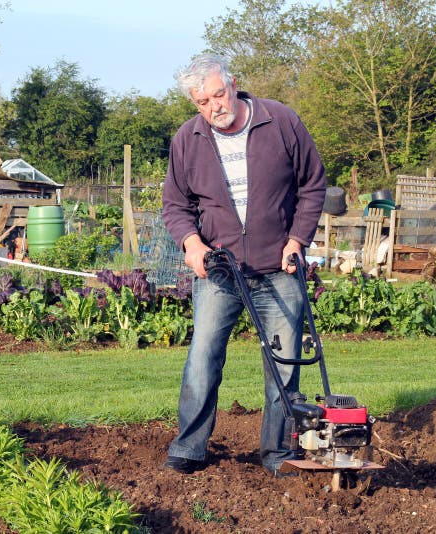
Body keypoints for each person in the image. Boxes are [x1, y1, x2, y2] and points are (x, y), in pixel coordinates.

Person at [161, 54, 326, 477]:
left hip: (279, 268)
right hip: (220, 270)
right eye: (202, 101)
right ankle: (189, 447)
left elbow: (312, 185)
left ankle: (277, 452)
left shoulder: (280, 121)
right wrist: (191, 243)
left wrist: (297, 240)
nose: (214, 106)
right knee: (202, 357)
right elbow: (176, 205)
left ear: (233, 84)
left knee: (285, 364)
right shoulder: (188, 138)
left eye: (218, 94)